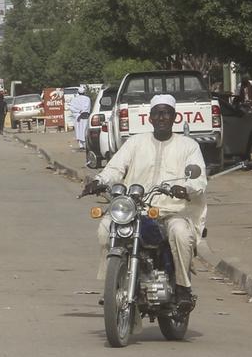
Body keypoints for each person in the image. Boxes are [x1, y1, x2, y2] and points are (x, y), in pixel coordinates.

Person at [81, 94, 206, 307]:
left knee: (181, 235)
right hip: (135, 209)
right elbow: (115, 168)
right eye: (157, 113)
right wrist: (99, 180)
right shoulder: (135, 142)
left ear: (174, 117)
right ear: (150, 118)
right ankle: (110, 287)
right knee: (105, 229)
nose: (162, 118)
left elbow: (199, 179)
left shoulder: (188, 145)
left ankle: (183, 287)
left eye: (166, 113)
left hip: (171, 211)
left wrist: (185, 188)